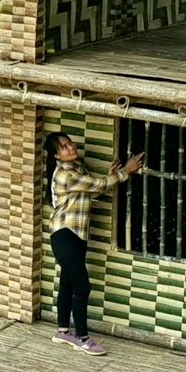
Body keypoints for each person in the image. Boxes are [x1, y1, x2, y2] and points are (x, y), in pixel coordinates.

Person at [43, 131, 144, 356]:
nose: (71, 147)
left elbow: (92, 190)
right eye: (64, 147)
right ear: (56, 156)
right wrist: (125, 171)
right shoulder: (65, 175)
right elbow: (96, 185)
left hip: (76, 234)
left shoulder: (77, 169)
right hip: (65, 234)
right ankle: (83, 338)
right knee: (82, 286)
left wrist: (113, 175)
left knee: (68, 283)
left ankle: (62, 332)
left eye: (70, 143)